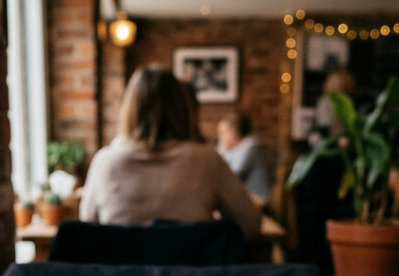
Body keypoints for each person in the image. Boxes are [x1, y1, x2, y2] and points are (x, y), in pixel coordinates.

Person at [80, 66, 260, 239]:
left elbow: (88, 225)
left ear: (129, 109)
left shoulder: (104, 161)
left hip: (125, 262)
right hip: (190, 261)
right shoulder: (208, 160)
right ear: (182, 107)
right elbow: (250, 224)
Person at [216, 111, 270, 203]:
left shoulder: (250, 146)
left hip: (258, 198)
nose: (219, 137)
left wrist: (221, 150)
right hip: (244, 198)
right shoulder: (232, 148)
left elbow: (231, 175)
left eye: (222, 133)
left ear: (233, 132)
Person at [313, 69, 355, 138]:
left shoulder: (329, 100)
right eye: (330, 82)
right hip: (336, 138)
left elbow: (324, 124)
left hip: (335, 138)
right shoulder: (325, 100)